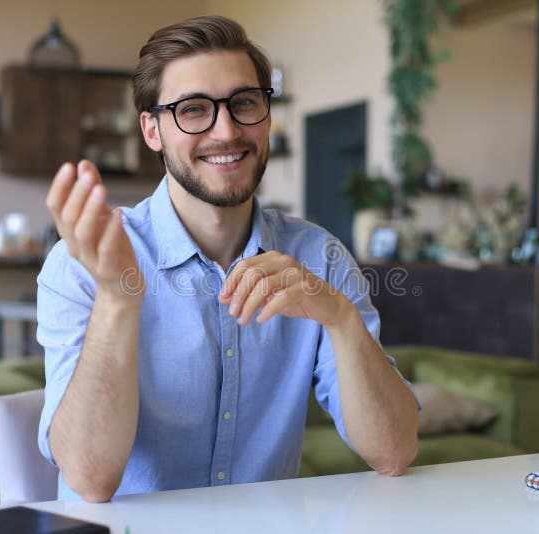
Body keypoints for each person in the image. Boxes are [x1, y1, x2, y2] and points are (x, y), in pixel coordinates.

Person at [37, 14, 419, 503]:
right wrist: (118, 297)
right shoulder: (83, 263)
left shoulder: (319, 258)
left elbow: (394, 452)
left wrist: (341, 319)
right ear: (152, 130)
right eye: (194, 109)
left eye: (244, 103)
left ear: (266, 114)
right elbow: (90, 480)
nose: (226, 130)